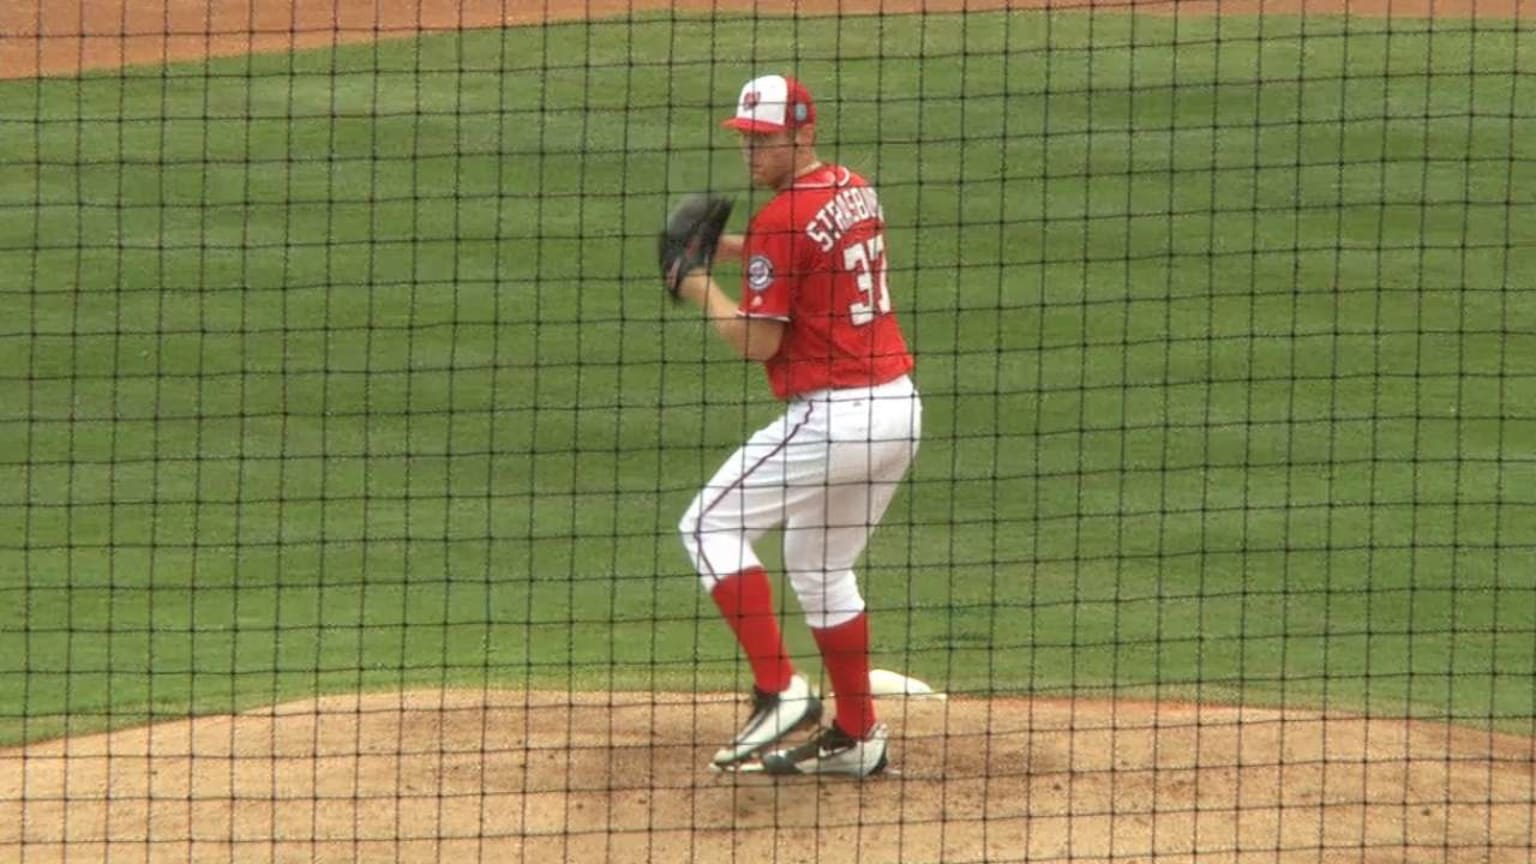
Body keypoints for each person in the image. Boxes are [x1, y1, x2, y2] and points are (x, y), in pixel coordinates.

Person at [669, 74, 922, 778]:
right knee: (818, 564)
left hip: (836, 419)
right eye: (745, 139)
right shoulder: (854, 187)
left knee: (707, 526)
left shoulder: (781, 220)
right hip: (898, 409)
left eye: (766, 140)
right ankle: (858, 736)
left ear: (803, 133)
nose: (752, 153)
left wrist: (696, 285)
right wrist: (734, 252)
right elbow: (807, 250)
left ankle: (780, 691)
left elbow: (759, 343)